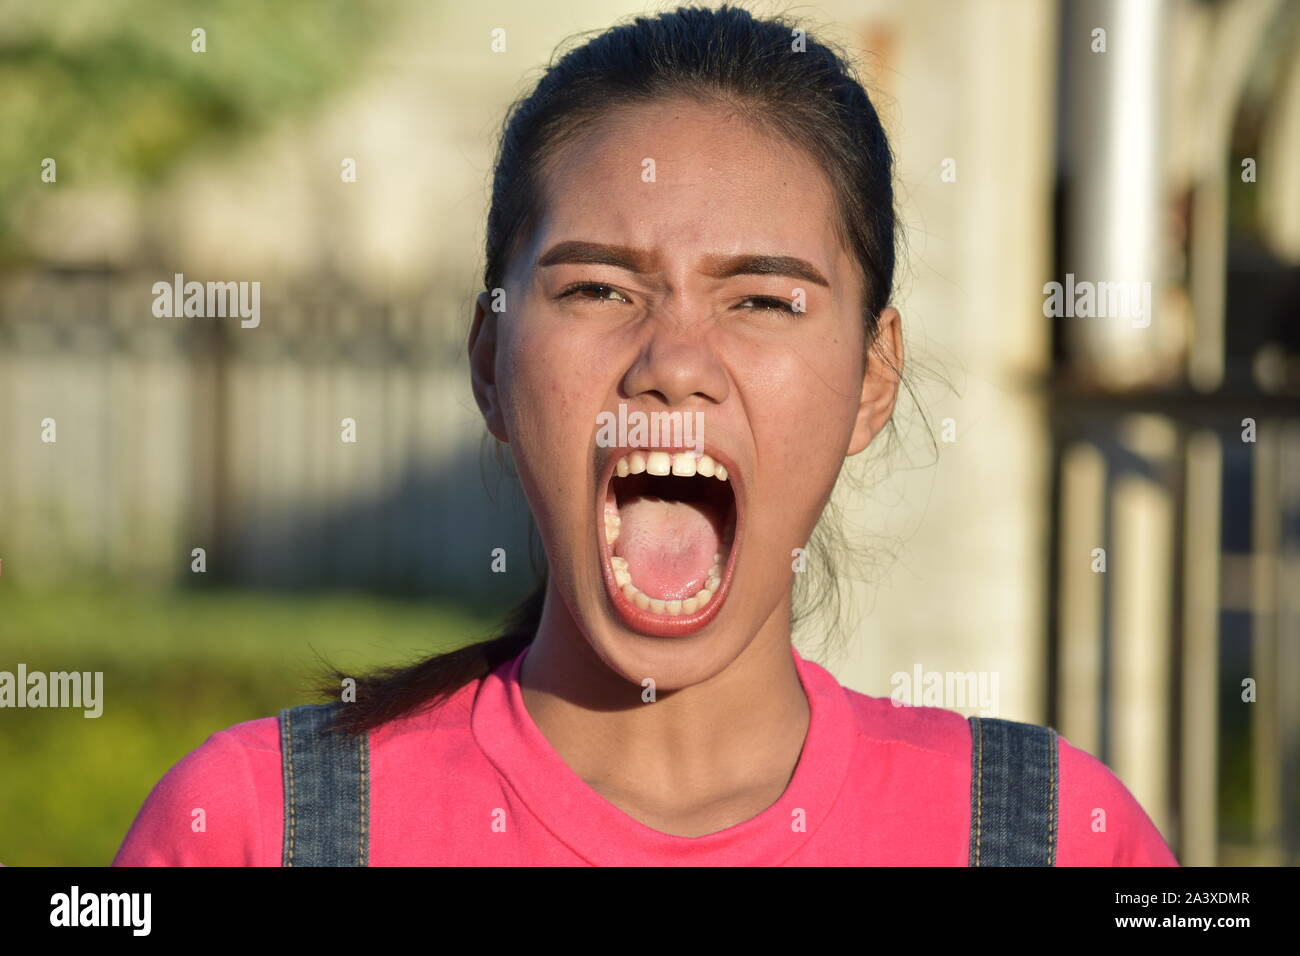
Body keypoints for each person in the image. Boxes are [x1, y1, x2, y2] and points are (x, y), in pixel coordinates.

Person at [113, 4, 1178, 866]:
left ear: (871, 378)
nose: (672, 360)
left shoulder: (1056, 838)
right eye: (598, 287)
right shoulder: (255, 829)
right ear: (489, 357)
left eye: (762, 299)